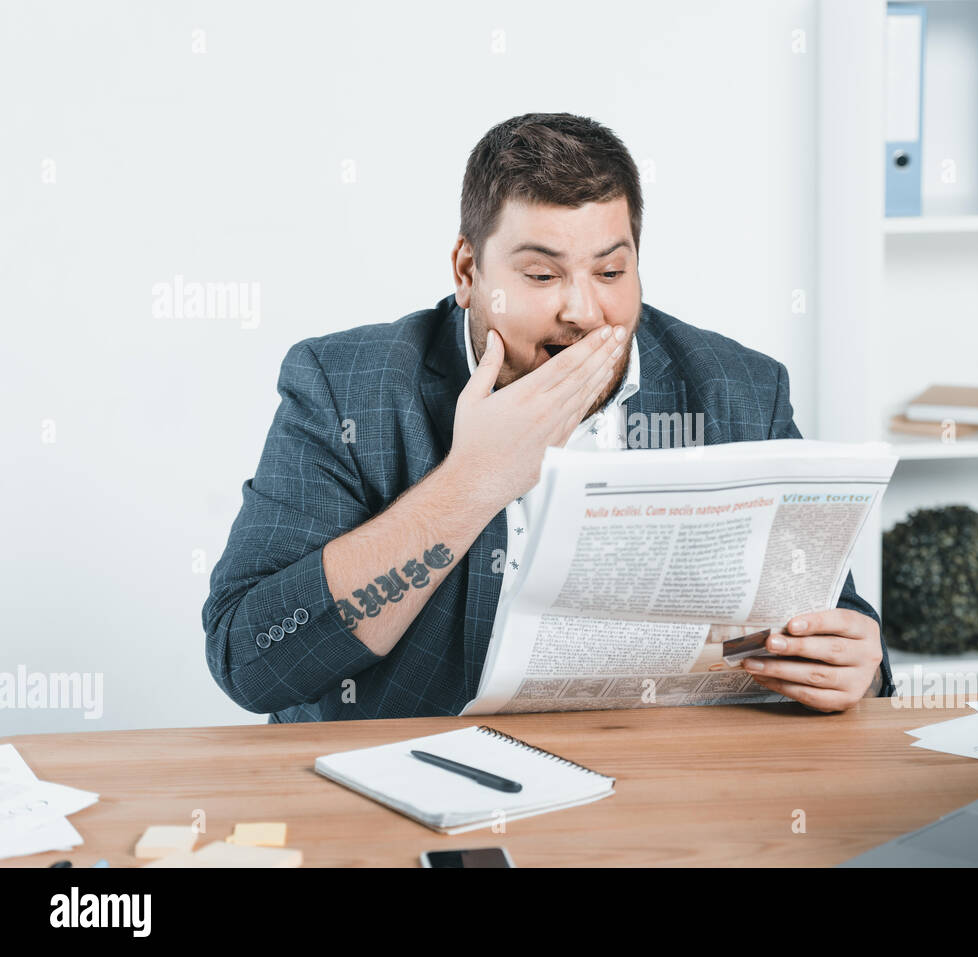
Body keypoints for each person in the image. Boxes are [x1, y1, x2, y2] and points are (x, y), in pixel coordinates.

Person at [202, 112, 893, 723]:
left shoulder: (738, 388)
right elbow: (250, 660)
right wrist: (472, 482)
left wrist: (855, 663)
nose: (584, 312)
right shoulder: (346, 386)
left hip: (663, 795)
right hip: (405, 796)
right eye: (541, 276)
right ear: (468, 271)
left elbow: (836, 616)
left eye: (611, 273)